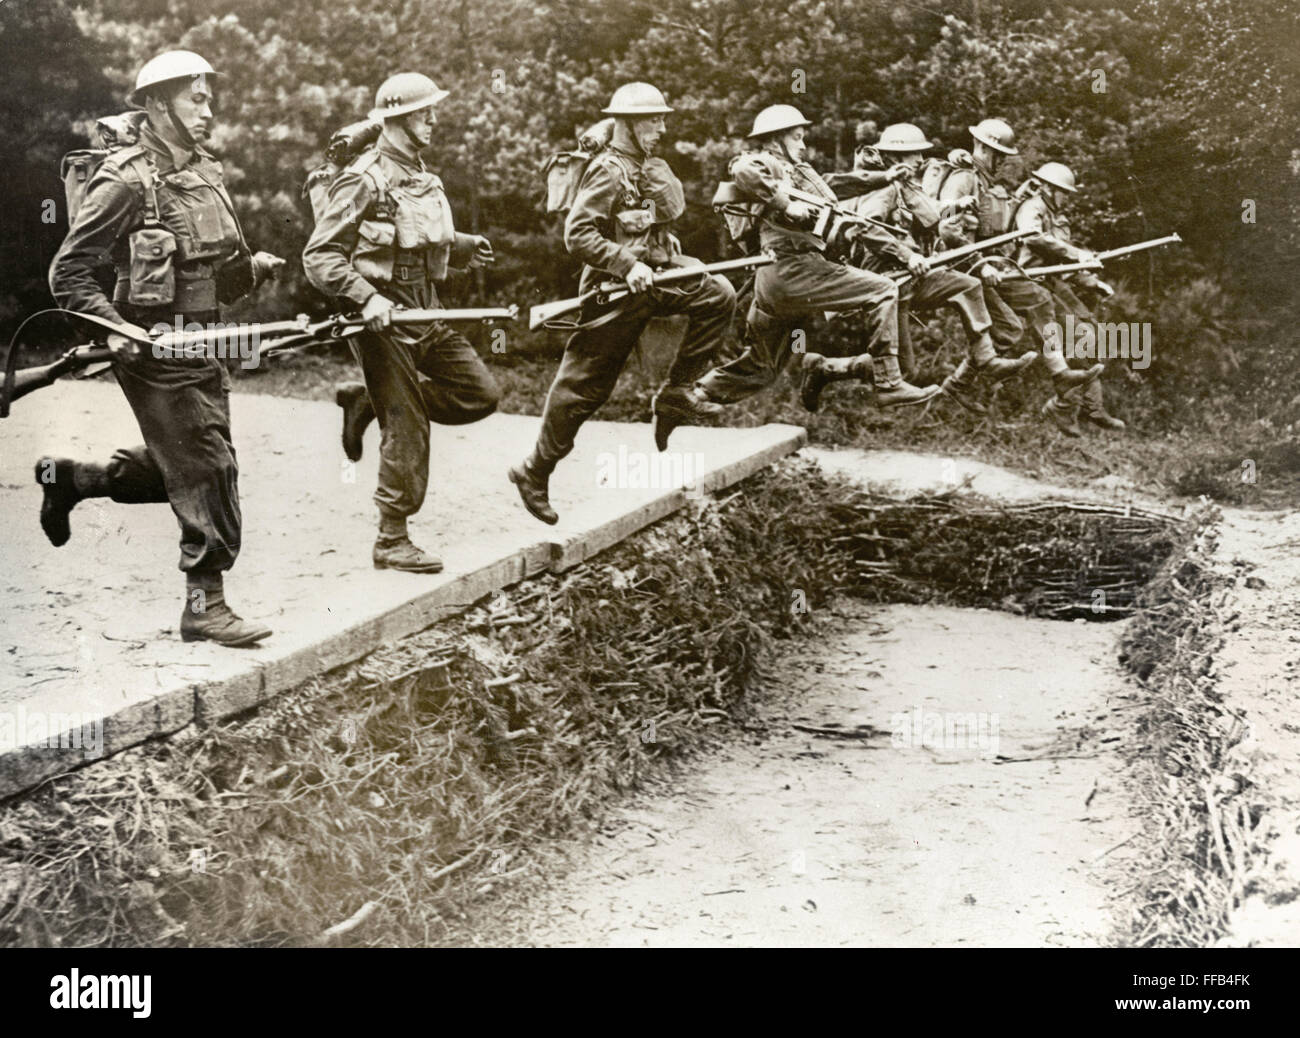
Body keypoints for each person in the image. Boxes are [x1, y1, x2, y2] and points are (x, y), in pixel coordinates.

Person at [41, 50, 282, 647]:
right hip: (153, 350)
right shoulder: (125, 179)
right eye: (195, 99)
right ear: (155, 104)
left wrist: (252, 268)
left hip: (205, 342)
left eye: (209, 98)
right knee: (208, 465)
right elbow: (68, 274)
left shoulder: (205, 172)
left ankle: (74, 479)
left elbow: (216, 274)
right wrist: (121, 331)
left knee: (185, 463)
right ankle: (205, 606)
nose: (208, 110)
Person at [508, 83, 735, 525]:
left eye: (664, 119)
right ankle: (533, 471)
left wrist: (660, 243)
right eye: (654, 120)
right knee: (585, 387)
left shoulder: (645, 167)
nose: (663, 128)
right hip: (613, 287)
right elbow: (578, 234)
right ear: (628, 124)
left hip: (658, 273)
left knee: (718, 293)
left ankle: (675, 394)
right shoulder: (607, 170)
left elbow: (653, 217)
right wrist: (625, 263)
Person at [303, 72, 500, 571]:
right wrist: (366, 298)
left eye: (432, 110)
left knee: (480, 394)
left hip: (425, 309)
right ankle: (391, 539)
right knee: (408, 422)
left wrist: (461, 248)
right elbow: (321, 256)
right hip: (381, 321)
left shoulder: (420, 173)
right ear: (395, 117)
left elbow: (413, 238)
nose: (433, 119)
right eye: (423, 112)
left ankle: (365, 403)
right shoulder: (364, 178)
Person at [694, 105, 938, 412]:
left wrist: (884, 177)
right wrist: (785, 205)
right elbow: (743, 170)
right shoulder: (768, 162)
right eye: (797, 138)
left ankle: (691, 397)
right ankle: (889, 383)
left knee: (762, 366)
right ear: (775, 141)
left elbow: (834, 183)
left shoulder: (798, 172)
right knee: (883, 289)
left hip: (775, 280)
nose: (803, 144)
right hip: (794, 267)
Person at [824, 124, 1034, 410]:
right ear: (896, 158)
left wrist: (957, 207)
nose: (921, 161)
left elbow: (933, 216)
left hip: (913, 277)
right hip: (888, 284)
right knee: (905, 371)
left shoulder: (908, 187)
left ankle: (986, 357)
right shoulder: (885, 188)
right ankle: (825, 369)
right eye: (914, 155)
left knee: (968, 285)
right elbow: (866, 228)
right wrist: (907, 256)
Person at [935, 118, 1101, 414]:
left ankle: (1060, 373)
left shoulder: (987, 184)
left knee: (1038, 298)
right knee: (1010, 328)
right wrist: (979, 264)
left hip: (988, 265)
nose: (1002, 163)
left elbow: (995, 230)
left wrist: (1014, 206)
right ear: (985, 149)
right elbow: (946, 230)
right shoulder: (963, 178)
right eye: (999, 156)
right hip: (961, 267)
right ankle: (958, 385)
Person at [1014, 161, 1125, 434]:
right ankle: (1065, 408)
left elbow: (1063, 260)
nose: (1066, 198)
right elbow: (1033, 239)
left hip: (1054, 281)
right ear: (1049, 189)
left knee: (1091, 335)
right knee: (1075, 337)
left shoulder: (1059, 218)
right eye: (1063, 192)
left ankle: (1092, 408)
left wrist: (1092, 281)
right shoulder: (1033, 208)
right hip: (1030, 279)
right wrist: (1077, 255)